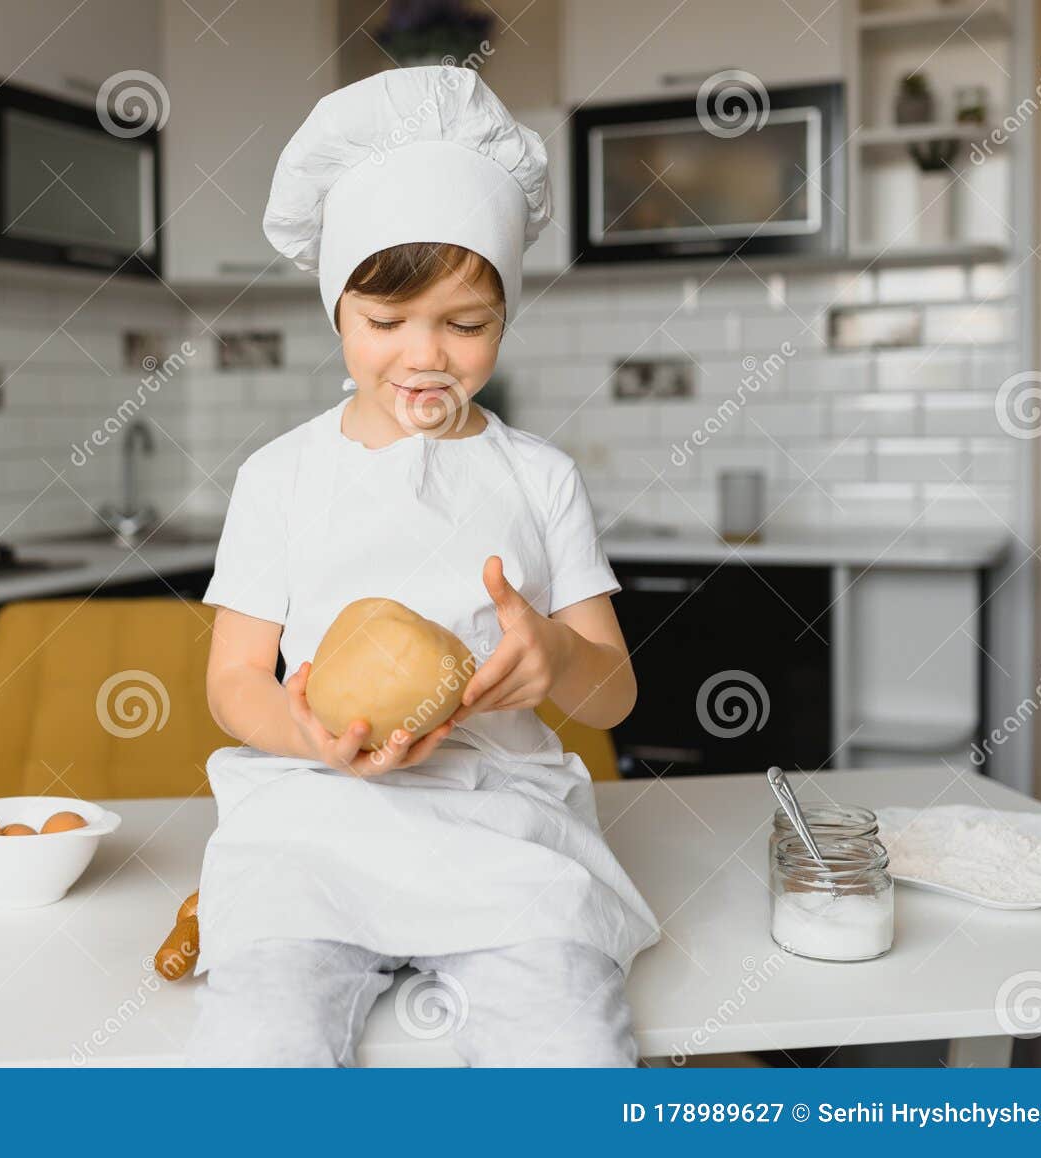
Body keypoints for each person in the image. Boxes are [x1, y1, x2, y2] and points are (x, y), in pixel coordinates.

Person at [185, 66, 661, 1067]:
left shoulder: (539, 477)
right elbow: (234, 683)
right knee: (256, 1053)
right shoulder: (280, 477)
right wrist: (310, 736)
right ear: (336, 313)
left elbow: (612, 693)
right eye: (384, 323)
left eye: (465, 323)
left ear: (506, 315)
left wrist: (553, 664)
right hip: (311, 824)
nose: (423, 356)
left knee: (570, 1050)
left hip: (500, 830)